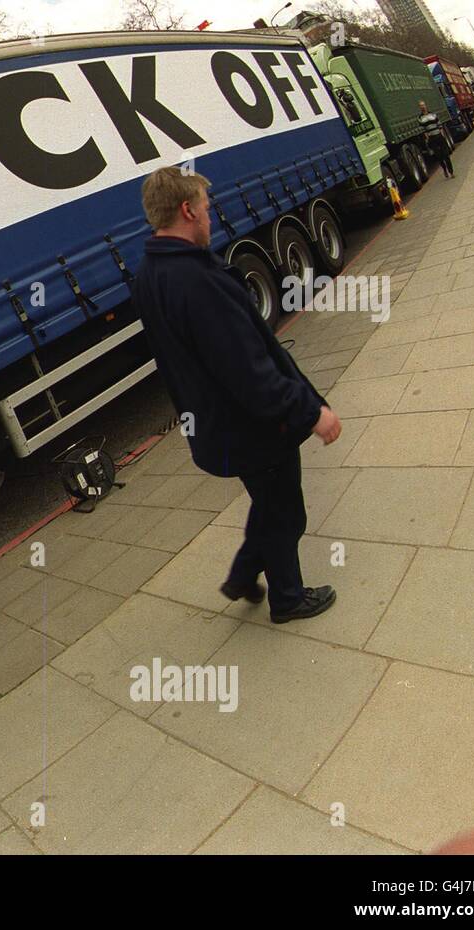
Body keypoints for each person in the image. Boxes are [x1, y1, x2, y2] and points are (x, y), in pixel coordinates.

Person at [130, 166, 341, 624]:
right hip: (254, 426)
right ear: (187, 210)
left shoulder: (150, 271)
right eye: (206, 209)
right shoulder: (196, 281)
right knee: (285, 512)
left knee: (269, 504)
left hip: (218, 425)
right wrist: (310, 413)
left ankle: (244, 576)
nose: (211, 216)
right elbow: (250, 371)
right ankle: (287, 598)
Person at [417, 101, 453, 178]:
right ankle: (445, 169)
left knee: (446, 154)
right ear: (419, 108)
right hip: (432, 139)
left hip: (439, 136)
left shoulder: (433, 114)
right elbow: (423, 131)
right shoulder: (420, 118)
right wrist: (428, 138)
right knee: (439, 157)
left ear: (426, 106)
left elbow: (439, 125)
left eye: (423, 105)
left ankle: (451, 172)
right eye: (421, 106)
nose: (422, 107)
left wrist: (442, 135)